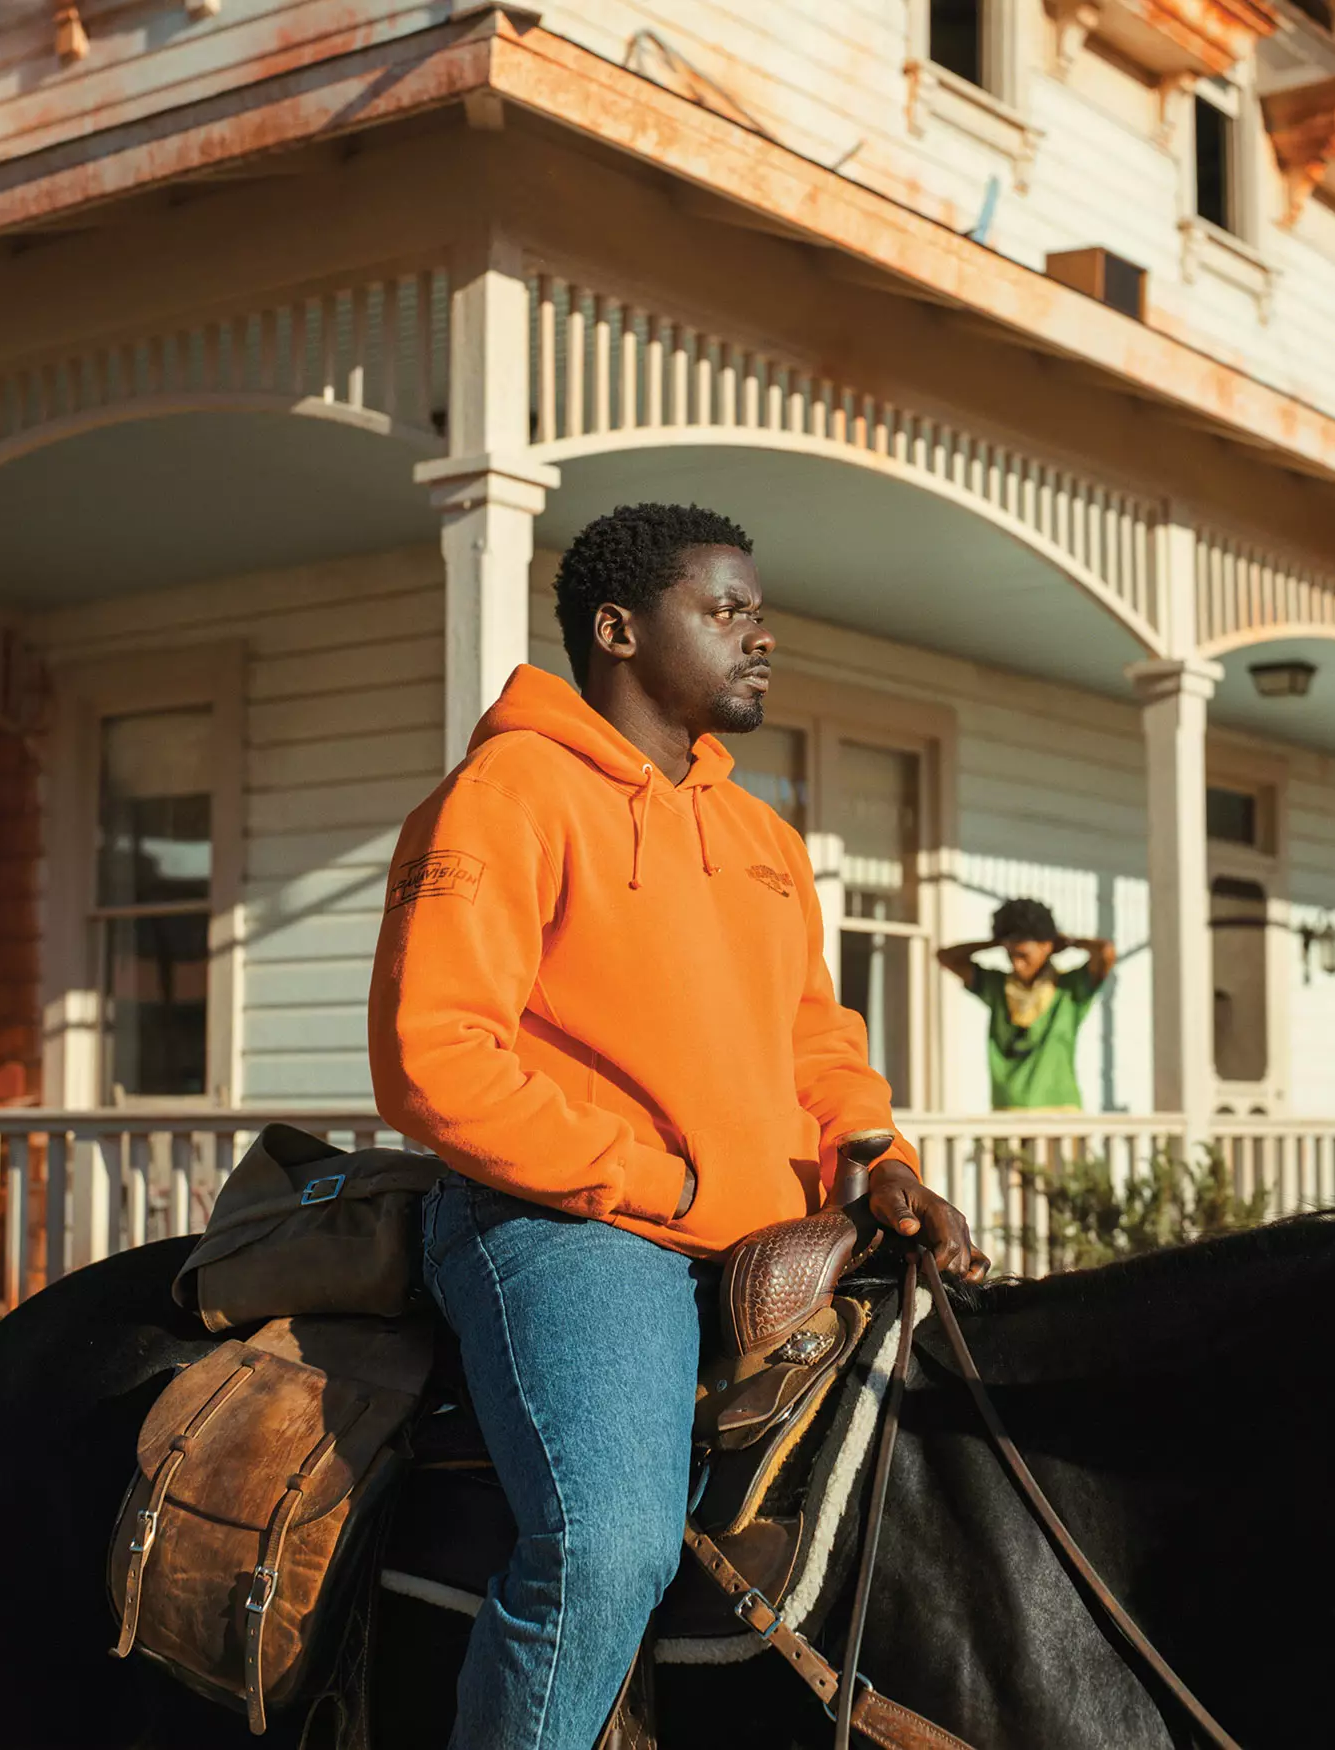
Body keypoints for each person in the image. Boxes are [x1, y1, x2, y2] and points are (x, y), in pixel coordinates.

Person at [368, 501, 988, 1749]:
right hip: (569, 1230)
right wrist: (661, 1178)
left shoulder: (761, 837)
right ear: (618, 630)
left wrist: (880, 1161)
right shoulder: (508, 792)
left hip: (771, 1234)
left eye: (757, 613)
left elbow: (815, 1040)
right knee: (609, 1548)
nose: (760, 637)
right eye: (725, 612)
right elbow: (432, 1060)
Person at [938, 897, 1118, 1112]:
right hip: (1007, 1112)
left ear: (1046, 947)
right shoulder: (997, 987)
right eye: (1010, 954)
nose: (1016, 963)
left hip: (1060, 1113)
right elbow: (946, 956)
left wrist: (1068, 942)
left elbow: (1105, 952)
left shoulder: (1069, 989)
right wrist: (997, 941)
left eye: (1023, 954)